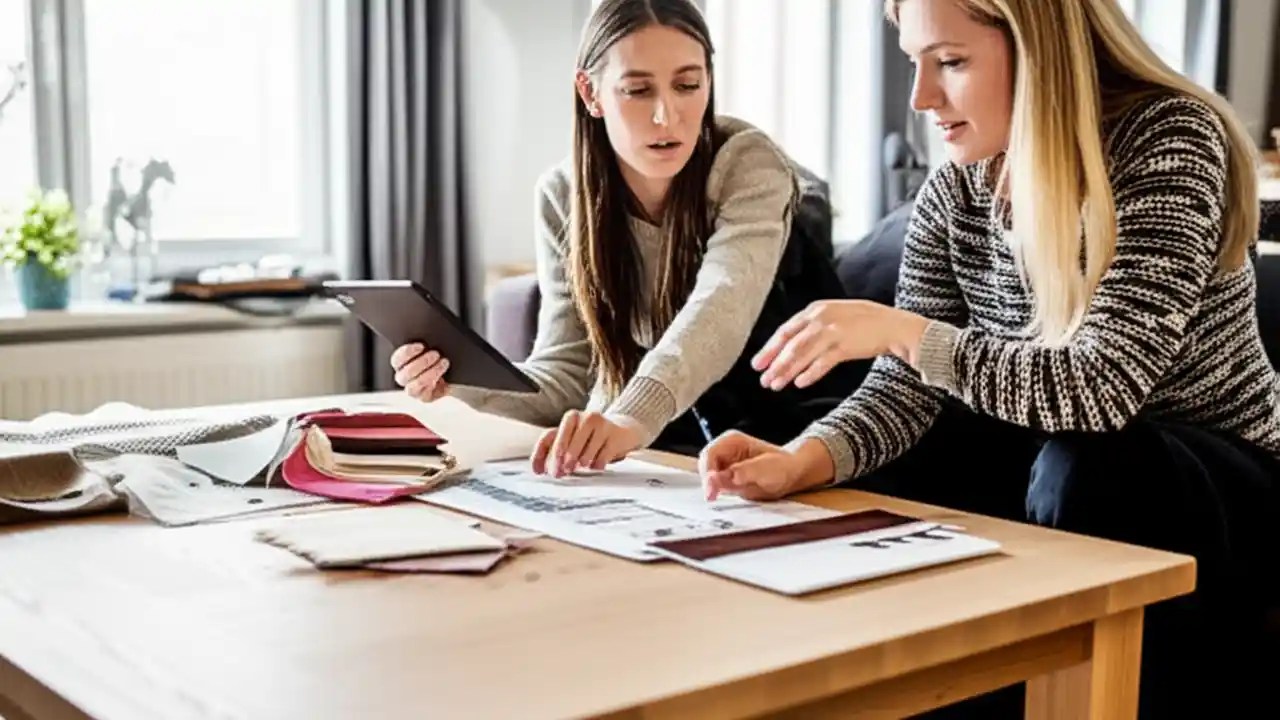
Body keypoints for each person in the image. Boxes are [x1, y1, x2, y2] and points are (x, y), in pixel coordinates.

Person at [698, 0, 1280, 716]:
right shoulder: (957, 188)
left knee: (1086, 464)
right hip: (1061, 455)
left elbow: (1102, 391)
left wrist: (902, 331)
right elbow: (905, 392)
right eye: (916, 62)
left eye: (951, 61)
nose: (921, 97)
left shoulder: (1167, 140)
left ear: (1039, 48)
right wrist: (799, 459)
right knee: (891, 454)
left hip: (1219, 480)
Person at [390, 0, 863, 478]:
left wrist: (627, 417)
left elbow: (721, 305)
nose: (667, 115)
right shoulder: (562, 196)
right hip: (675, 453)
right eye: (637, 90)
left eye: (688, 85)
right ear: (590, 93)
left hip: (797, 439)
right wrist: (462, 377)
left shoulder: (747, 164)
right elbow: (567, 374)